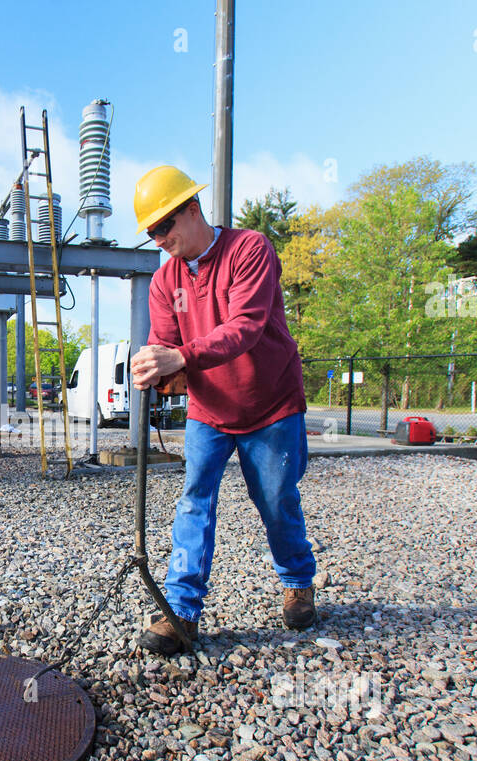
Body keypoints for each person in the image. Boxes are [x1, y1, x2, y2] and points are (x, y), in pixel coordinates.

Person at [129, 166, 316, 656]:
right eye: (151, 232)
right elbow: (165, 342)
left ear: (193, 210)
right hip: (210, 409)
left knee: (275, 500)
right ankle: (182, 612)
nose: (159, 239)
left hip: (270, 402)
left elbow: (247, 326)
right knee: (194, 498)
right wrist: (156, 367)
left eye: (164, 227)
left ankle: (297, 580)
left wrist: (181, 358)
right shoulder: (164, 279)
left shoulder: (249, 249)